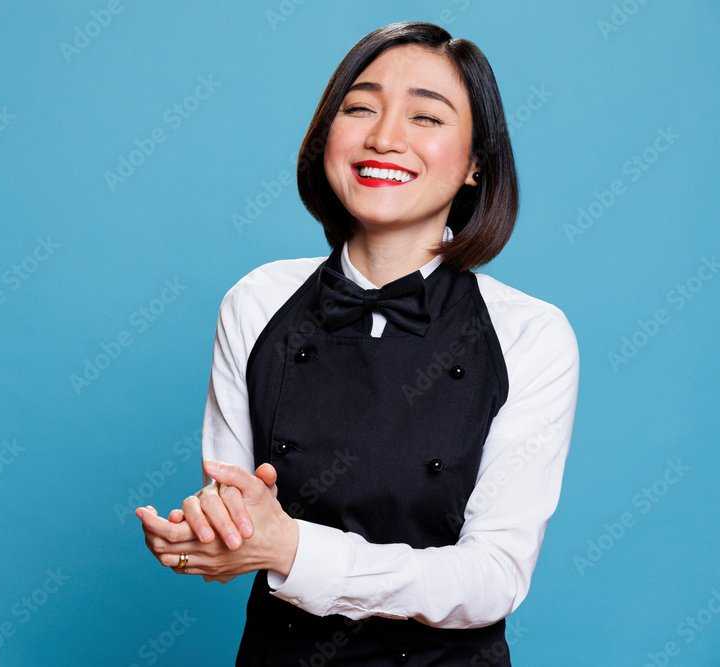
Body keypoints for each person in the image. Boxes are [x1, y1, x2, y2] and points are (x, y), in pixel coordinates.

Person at [137, 21, 579, 666]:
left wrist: (292, 551)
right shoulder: (257, 301)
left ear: (477, 164)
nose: (384, 137)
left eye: (425, 117)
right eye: (361, 108)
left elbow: (493, 580)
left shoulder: (531, 334)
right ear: (326, 137)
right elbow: (239, 510)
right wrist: (204, 536)